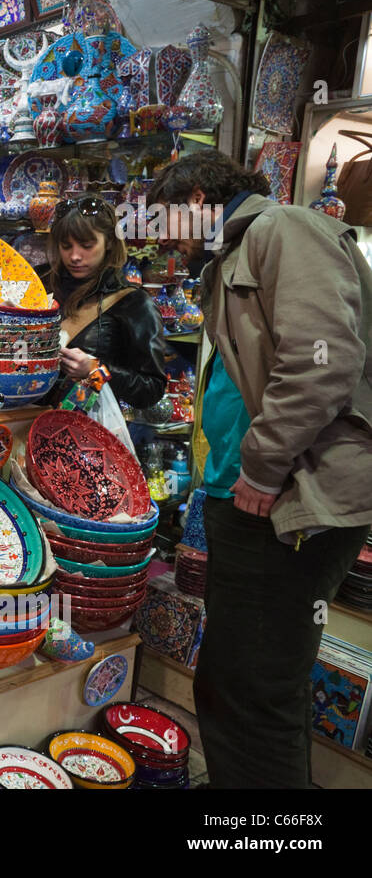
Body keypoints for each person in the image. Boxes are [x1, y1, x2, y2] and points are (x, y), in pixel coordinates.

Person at [148, 150, 372, 789]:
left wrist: (264, 468)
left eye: (162, 219)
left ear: (194, 202)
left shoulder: (283, 230)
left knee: (250, 690)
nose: (161, 238)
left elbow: (323, 361)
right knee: (248, 683)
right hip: (266, 500)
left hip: (289, 502)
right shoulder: (244, 248)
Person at [36, 194, 167, 418]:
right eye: (66, 246)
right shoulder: (39, 287)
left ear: (108, 243)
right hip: (24, 422)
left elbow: (151, 389)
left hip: (87, 433)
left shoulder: (132, 302)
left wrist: (95, 369)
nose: (75, 256)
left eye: (87, 245)